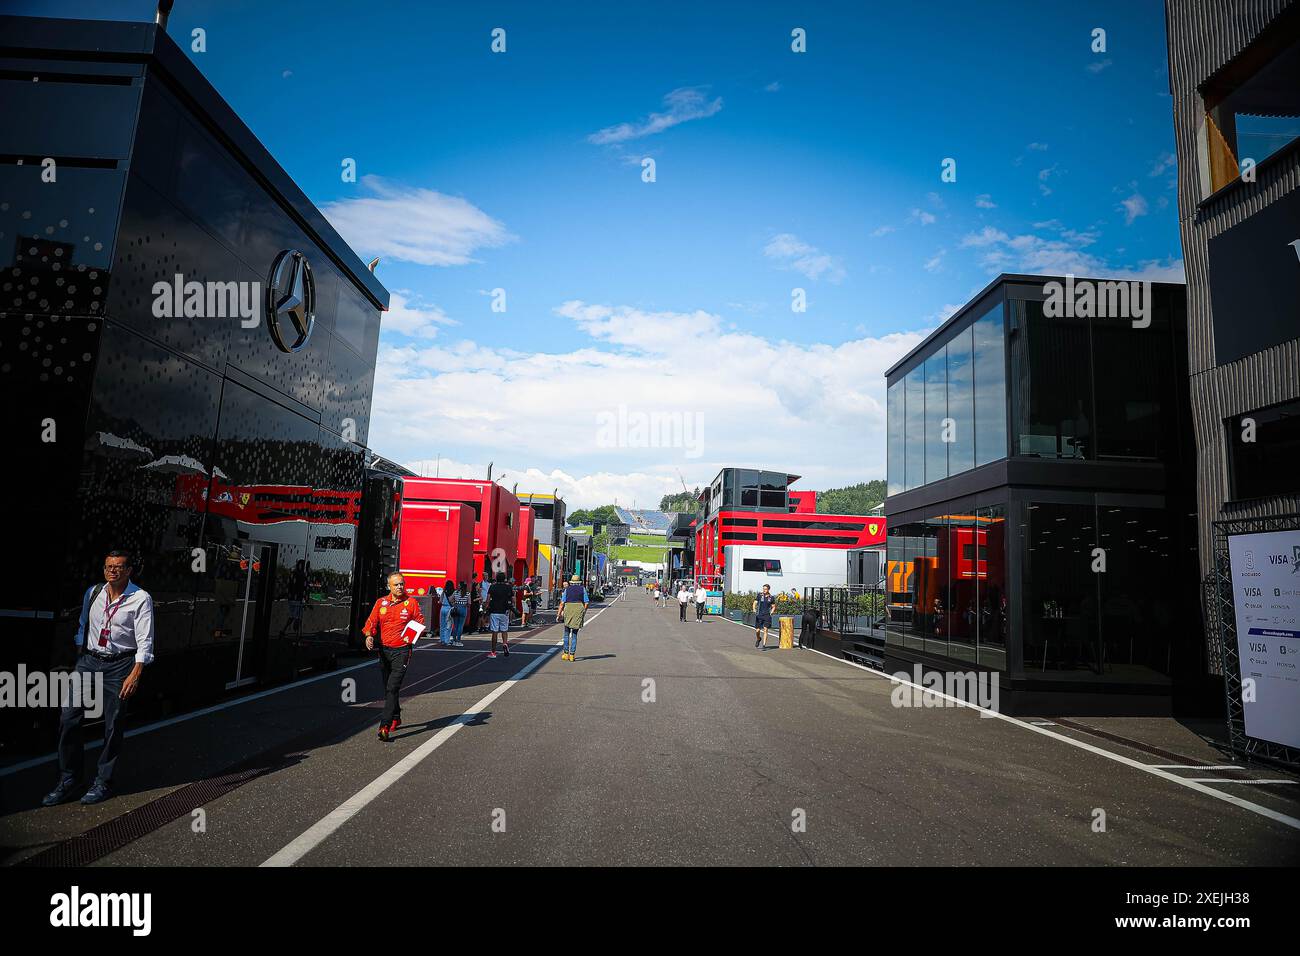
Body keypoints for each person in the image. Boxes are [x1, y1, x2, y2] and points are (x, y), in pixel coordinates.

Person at [44, 550, 154, 807]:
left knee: (113, 724)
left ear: (129, 571)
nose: (112, 570)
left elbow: (145, 639)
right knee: (68, 716)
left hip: (120, 664)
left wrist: (136, 673)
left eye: (118, 567)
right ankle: (69, 779)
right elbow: (83, 623)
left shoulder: (140, 598)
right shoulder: (93, 592)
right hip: (89, 661)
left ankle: (103, 781)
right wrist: (82, 647)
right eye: (108, 566)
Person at [361, 573, 424, 741]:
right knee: (388, 687)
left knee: (392, 687)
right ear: (389, 586)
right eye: (396, 584)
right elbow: (371, 622)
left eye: (402, 584)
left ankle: (384, 725)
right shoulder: (381, 603)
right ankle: (396, 716)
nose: (400, 587)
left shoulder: (411, 603)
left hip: (402, 651)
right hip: (384, 651)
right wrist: (369, 635)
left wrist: (409, 637)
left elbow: (419, 621)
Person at [556, 574, 589, 662]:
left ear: (571, 582)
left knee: (566, 633)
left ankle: (566, 654)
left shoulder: (567, 589)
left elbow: (562, 603)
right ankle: (572, 655)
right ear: (578, 582)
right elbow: (586, 602)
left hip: (568, 611)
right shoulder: (583, 589)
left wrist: (558, 614)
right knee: (574, 634)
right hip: (578, 611)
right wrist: (583, 612)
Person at [486, 571, 514, 658]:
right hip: (505, 611)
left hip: (494, 611)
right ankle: (505, 643)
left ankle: (493, 652)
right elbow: (513, 599)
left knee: (494, 632)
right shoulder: (508, 587)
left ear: (497, 578)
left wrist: (485, 607)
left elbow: (488, 599)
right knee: (504, 630)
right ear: (504, 579)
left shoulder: (492, 587)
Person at [753, 583, 776, 649]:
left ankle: (764, 645)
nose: (764, 590)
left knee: (765, 630)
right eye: (763, 589)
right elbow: (755, 602)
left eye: (765, 589)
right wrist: (754, 609)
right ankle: (758, 638)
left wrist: (771, 612)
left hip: (767, 616)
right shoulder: (760, 595)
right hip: (759, 615)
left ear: (768, 589)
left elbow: (773, 606)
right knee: (757, 631)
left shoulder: (771, 597)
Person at [450, 581, 470, 646]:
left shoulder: (455, 592)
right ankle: (458, 640)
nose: (458, 586)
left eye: (459, 585)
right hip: (463, 608)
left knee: (455, 625)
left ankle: (454, 640)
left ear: (460, 586)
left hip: (456, 607)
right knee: (460, 625)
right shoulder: (467, 593)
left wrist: (454, 604)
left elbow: (450, 599)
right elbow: (469, 603)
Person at [438, 580, 455, 646]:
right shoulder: (453, 592)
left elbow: (440, 601)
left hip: (443, 608)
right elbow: (452, 601)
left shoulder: (444, 591)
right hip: (449, 609)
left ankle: (442, 639)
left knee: (442, 625)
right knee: (449, 625)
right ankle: (446, 640)